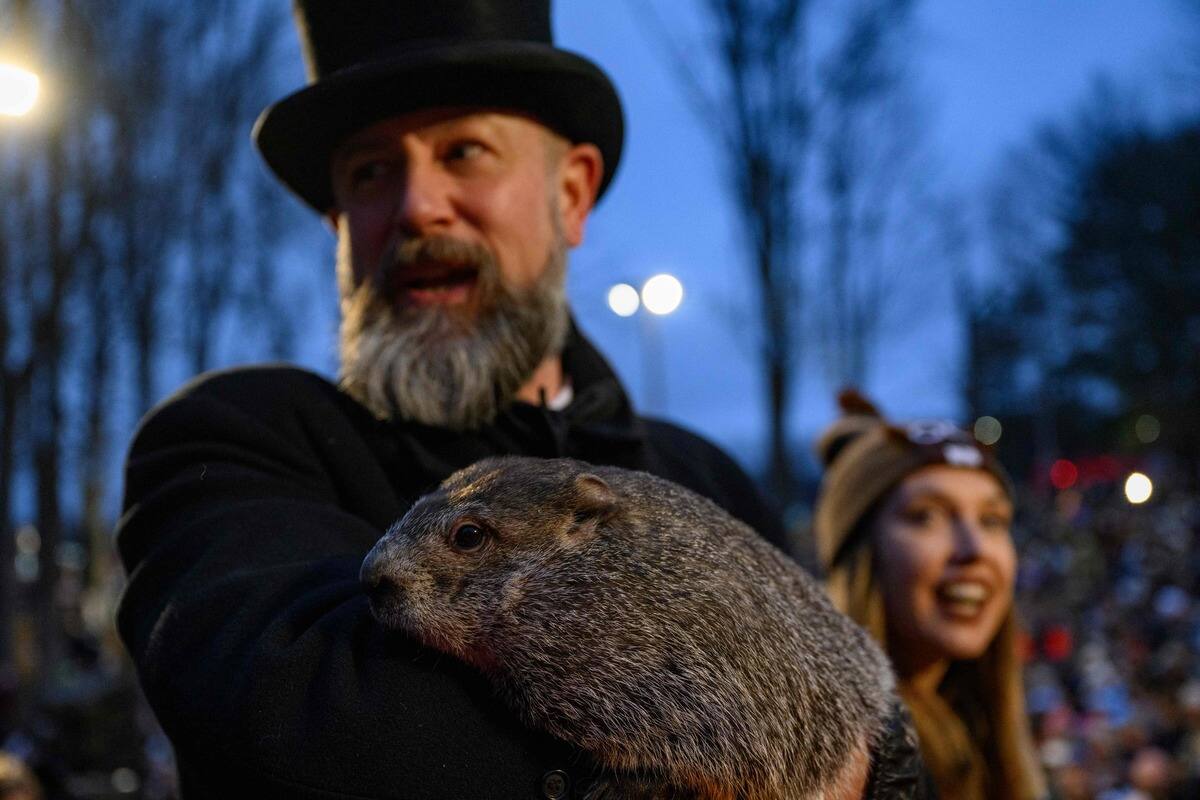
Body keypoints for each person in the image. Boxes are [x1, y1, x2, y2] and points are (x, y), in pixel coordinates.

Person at [115, 2, 921, 797]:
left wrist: (883, 767)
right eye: (369, 171)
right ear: (338, 225)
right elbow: (309, 719)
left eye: (464, 152)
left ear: (570, 194)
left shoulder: (701, 472)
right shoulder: (236, 440)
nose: (416, 207)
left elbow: (852, 705)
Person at [811, 390, 1048, 800]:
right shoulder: (823, 767)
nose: (973, 549)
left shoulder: (980, 733)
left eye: (992, 520)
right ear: (861, 556)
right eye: (926, 516)